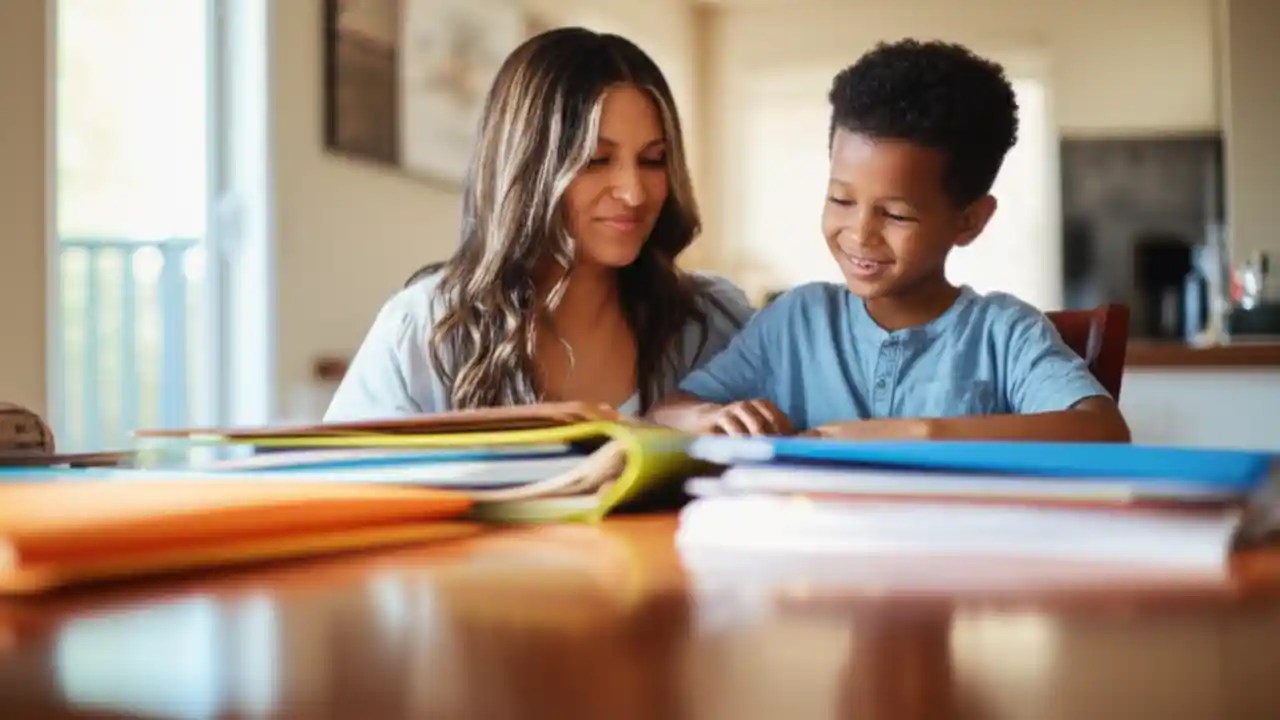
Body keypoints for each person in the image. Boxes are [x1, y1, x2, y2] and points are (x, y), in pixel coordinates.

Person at [650, 39, 1131, 442]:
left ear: (969, 221)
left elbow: (1105, 430)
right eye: (841, 200)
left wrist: (920, 432)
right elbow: (666, 412)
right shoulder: (794, 323)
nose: (860, 233)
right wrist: (705, 417)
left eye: (896, 214)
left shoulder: (1004, 334)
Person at [325, 28, 752, 421]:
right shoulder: (425, 331)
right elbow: (338, 491)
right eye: (596, 160)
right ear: (527, 168)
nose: (634, 193)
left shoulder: (713, 322)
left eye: (653, 159)